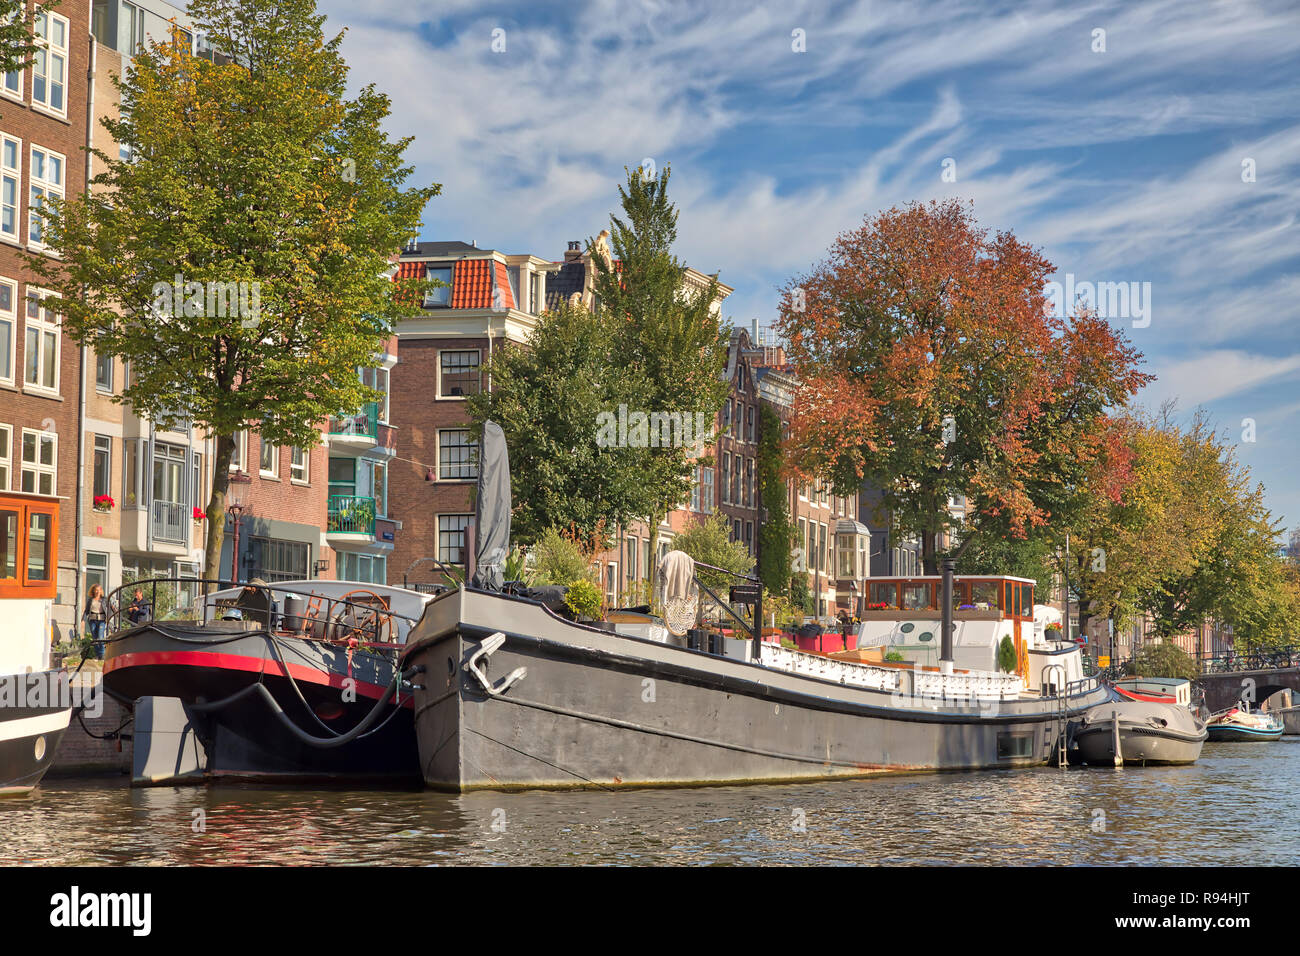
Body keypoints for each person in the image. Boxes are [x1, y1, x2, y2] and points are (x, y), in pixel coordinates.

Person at [83, 584, 107, 660]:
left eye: (98, 590)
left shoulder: (104, 599)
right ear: (93, 591)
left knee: (100, 636)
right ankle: (97, 655)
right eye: (96, 590)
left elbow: (110, 608)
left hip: (101, 620)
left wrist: (109, 617)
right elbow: (86, 610)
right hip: (92, 620)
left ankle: (102, 654)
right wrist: (85, 619)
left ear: (101, 591)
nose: (97, 591)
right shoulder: (90, 600)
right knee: (95, 638)